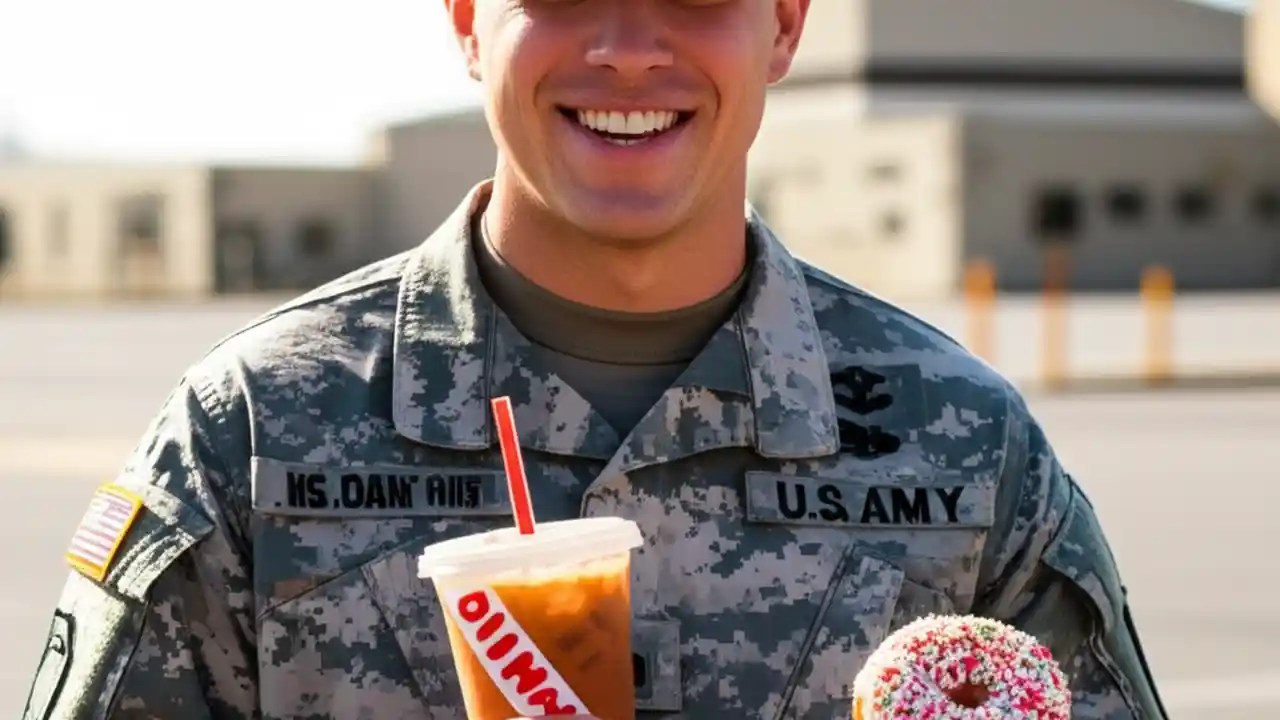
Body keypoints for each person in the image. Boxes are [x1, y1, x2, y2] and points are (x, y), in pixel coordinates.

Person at [23, 0, 1168, 718]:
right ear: (466, 21)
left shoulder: (960, 447)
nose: (626, 50)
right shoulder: (258, 427)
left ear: (783, 24)